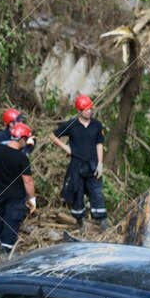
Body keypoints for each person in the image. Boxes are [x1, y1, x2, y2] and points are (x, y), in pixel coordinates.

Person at [0, 122, 36, 260]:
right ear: (22, 139)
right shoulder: (22, 158)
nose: (26, 143)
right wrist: (32, 198)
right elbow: (28, 181)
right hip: (15, 197)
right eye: (26, 139)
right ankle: (6, 250)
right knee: (11, 221)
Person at [51, 93, 106, 231]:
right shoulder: (72, 124)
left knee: (96, 192)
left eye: (90, 109)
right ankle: (79, 221)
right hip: (76, 165)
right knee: (77, 193)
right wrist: (66, 148)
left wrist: (100, 163)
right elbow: (53, 135)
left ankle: (101, 221)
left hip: (92, 164)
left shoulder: (96, 125)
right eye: (86, 110)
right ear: (79, 111)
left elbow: (99, 144)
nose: (89, 112)